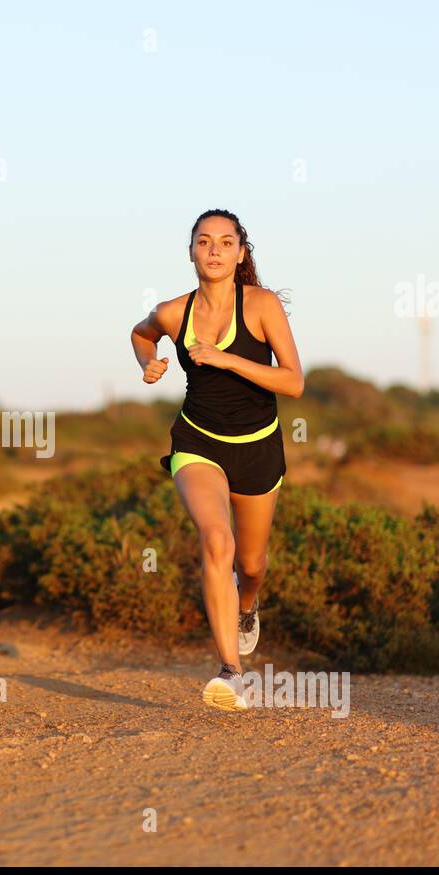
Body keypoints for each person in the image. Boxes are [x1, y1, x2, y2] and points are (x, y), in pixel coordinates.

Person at [129, 208, 304, 710]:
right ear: (191, 252)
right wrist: (149, 362)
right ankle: (232, 672)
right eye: (204, 241)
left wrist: (226, 358)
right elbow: (140, 334)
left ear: (240, 253)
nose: (214, 250)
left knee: (251, 564)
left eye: (225, 242)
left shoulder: (262, 306)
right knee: (215, 539)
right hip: (197, 440)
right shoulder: (171, 312)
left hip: (258, 446)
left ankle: (248, 606)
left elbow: (293, 382)